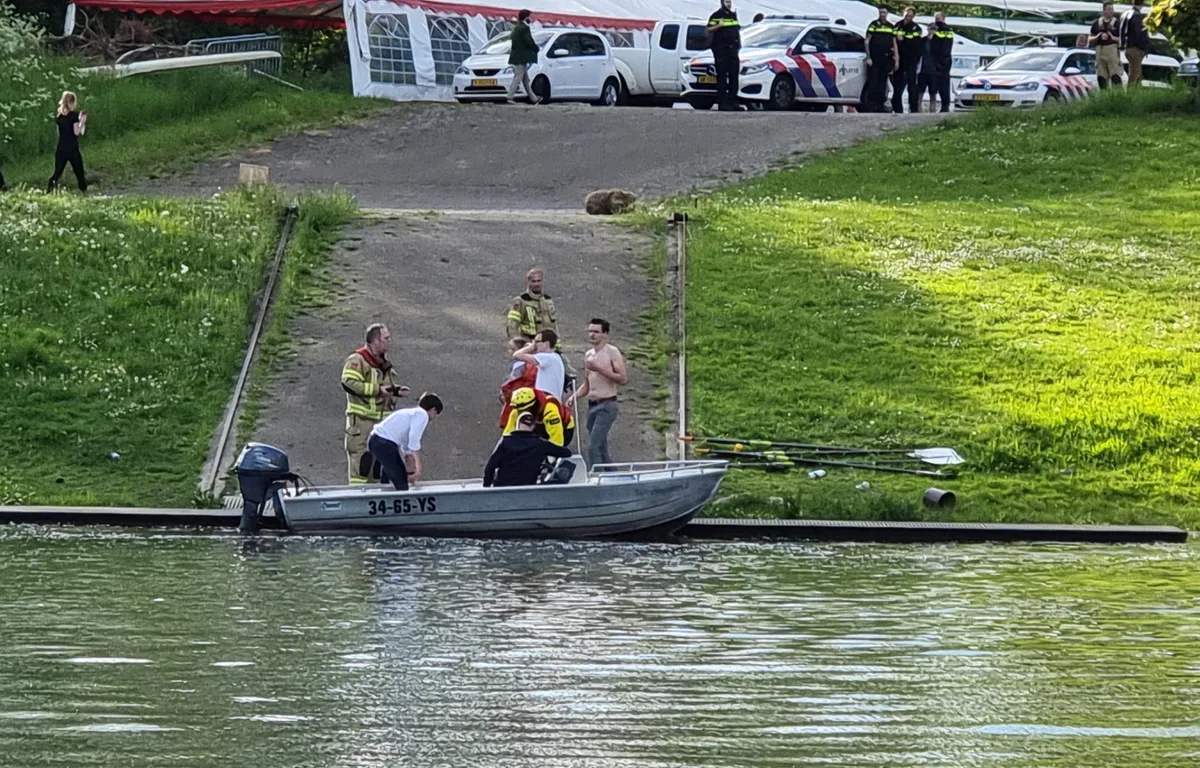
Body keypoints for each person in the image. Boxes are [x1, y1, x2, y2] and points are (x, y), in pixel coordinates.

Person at [342, 323, 409, 484]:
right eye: (386, 338)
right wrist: (377, 390)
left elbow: (384, 389)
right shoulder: (358, 360)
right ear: (375, 341)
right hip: (361, 426)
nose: (389, 341)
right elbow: (348, 381)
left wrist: (395, 391)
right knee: (361, 473)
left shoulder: (382, 363)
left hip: (380, 428)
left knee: (377, 472)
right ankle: (357, 504)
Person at [566, 318, 628, 468]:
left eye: (596, 332)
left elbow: (623, 379)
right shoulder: (588, 355)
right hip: (592, 405)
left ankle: (596, 475)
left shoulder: (612, 352)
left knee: (593, 446)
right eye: (590, 331)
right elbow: (588, 384)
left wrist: (599, 368)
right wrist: (574, 397)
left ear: (605, 334)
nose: (592, 335)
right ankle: (612, 476)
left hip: (607, 404)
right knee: (601, 447)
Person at [367, 392, 443, 491]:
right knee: (400, 480)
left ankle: (384, 493)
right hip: (384, 442)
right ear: (433, 409)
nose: (433, 418)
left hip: (376, 440)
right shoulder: (422, 414)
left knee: (389, 471)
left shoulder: (411, 414)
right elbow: (414, 439)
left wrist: (410, 472)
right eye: (435, 414)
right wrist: (418, 467)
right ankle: (400, 498)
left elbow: (406, 446)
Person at [483, 410, 574, 487]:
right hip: (528, 491)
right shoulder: (540, 444)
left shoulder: (505, 442)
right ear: (533, 426)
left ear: (517, 424)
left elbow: (490, 468)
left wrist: (487, 488)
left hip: (503, 490)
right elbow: (566, 452)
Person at [506, 267, 559, 349]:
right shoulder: (520, 301)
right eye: (533, 281)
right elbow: (512, 326)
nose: (536, 284)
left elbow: (554, 325)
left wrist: (557, 345)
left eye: (539, 281)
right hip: (529, 346)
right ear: (528, 282)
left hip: (548, 347)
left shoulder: (548, 301)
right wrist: (518, 346)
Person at [47, 91, 88, 194]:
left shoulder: (59, 117)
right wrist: (82, 123)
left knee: (57, 172)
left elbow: (60, 132)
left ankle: (49, 189)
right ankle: (84, 192)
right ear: (72, 102)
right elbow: (77, 132)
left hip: (61, 148)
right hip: (72, 148)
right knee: (79, 172)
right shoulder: (74, 116)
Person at [707, 0, 742, 111]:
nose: (729, 4)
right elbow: (709, 29)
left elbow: (737, 30)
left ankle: (733, 101)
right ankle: (723, 103)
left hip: (733, 50)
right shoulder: (716, 15)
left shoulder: (732, 16)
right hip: (722, 51)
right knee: (722, 77)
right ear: (722, 2)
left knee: (734, 76)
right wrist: (719, 25)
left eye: (730, 2)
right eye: (727, 2)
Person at [865, 6, 898, 113]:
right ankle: (871, 105)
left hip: (886, 59)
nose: (882, 14)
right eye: (881, 12)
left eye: (884, 12)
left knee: (882, 83)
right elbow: (867, 41)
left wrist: (896, 59)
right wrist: (868, 57)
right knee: (873, 82)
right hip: (874, 59)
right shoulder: (873, 25)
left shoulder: (890, 27)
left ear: (887, 13)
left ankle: (880, 105)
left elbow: (894, 43)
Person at [890, 7, 923, 114]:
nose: (907, 17)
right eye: (906, 15)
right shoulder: (897, 26)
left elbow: (916, 45)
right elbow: (892, 40)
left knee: (912, 87)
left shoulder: (916, 28)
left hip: (911, 60)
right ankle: (897, 109)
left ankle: (913, 109)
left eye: (910, 16)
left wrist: (903, 40)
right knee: (897, 87)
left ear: (913, 16)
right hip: (899, 60)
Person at [506, 9, 541, 104]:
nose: (530, 18)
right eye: (529, 16)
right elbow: (528, 40)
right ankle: (510, 97)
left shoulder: (516, 28)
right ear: (526, 17)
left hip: (516, 56)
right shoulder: (525, 28)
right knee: (518, 77)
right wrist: (536, 48)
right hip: (522, 57)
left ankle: (534, 98)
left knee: (525, 79)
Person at [1091, 4, 1122, 89]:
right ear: (1104, 10)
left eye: (1112, 9)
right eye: (1109, 9)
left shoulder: (1117, 23)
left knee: (1115, 74)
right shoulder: (1096, 23)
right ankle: (1104, 96)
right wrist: (1098, 36)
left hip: (1111, 48)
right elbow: (1090, 38)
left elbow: (1122, 39)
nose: (1111, 11)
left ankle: (1118, 96)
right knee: (1101, 76)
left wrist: (1112, 37)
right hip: (1099, 49)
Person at [928, 12, 954, 113]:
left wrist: (932, 32)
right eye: (936, 18)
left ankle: (945, 106)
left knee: (940, 83)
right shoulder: (949, 30)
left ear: (943, 18)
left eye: (938, 18)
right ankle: (945, 105)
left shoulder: (938, 29)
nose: (937, 20)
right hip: (945, 59)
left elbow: (934, 44)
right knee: (943, 83)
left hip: (940, 60)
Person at [1119, 0, 1149, 86]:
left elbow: (1121, 31)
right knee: (1135, 74)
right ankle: (1130, 94)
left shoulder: (1125, 14)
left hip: (1127, 47)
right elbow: (1138, 33)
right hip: (1135, 48)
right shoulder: (1137, 15)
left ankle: (1137, 94)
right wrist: (1143, 47)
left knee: (1136, 73)